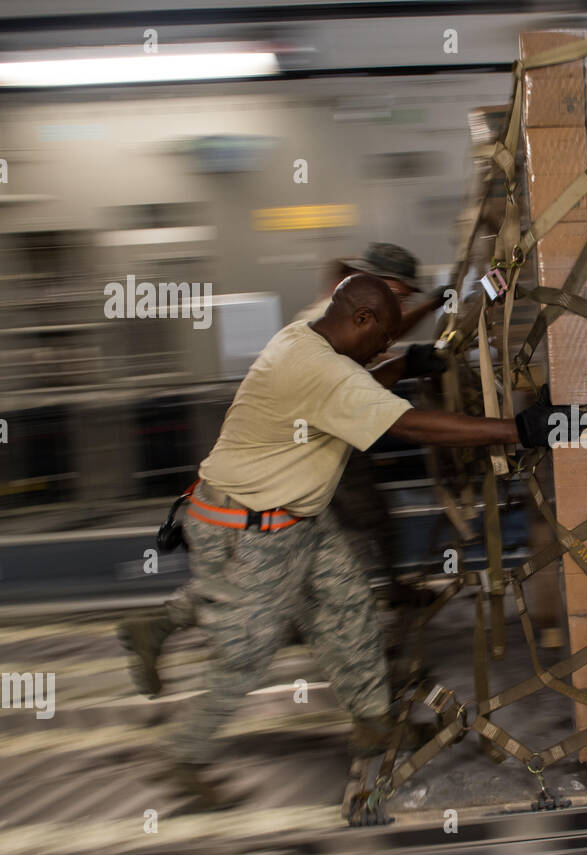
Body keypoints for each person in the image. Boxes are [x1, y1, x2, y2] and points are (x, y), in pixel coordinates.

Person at [156, 273, 557, 813]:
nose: (383, 350)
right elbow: (410, 425)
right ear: (361, 318)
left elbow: (361, 376)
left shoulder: (304, 335)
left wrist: (407, 365)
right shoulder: (317, 368)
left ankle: (372, 723)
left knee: (349, 607)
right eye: (382, 339)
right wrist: (517, 431)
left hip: (297, 518)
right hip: (244, 527)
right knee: (246, 652)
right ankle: (183, 757)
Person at [116, 243, 441, 695]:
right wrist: (515, 430)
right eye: (399, 295)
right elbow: (369, 394)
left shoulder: (343, 315)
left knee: (318, 574)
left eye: (406, 298)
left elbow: (364, 375)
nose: (399, 308)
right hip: (296, 467)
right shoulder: (329, 322)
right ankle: (357, 679)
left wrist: (410, 353)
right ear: (375, 291)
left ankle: (368, 690)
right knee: (305, 575)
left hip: (306, 461)